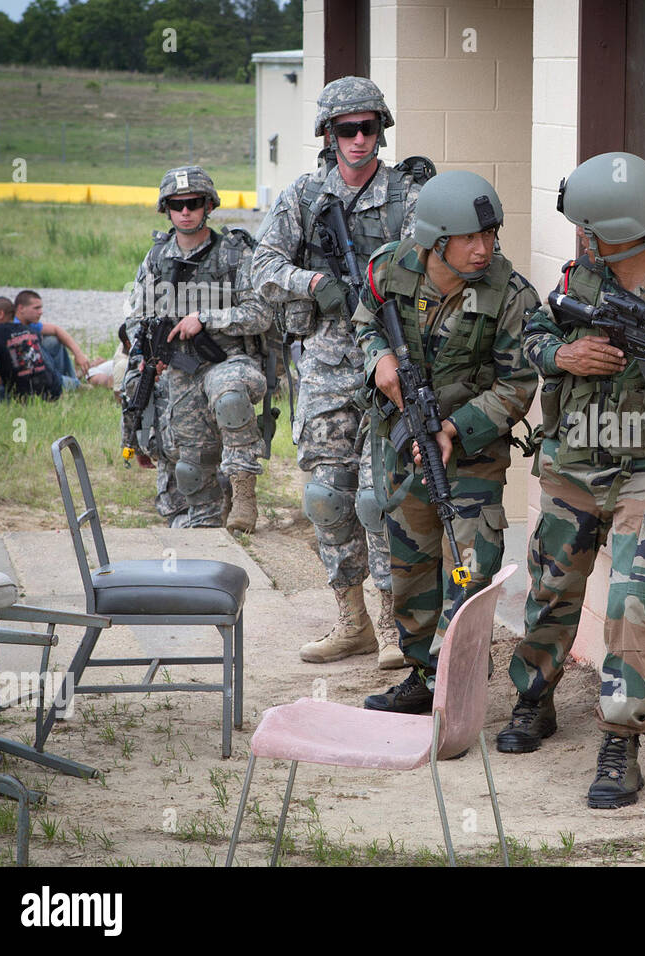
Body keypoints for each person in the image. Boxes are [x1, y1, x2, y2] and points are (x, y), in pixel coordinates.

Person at [497, 152, 645, 809]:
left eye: (588, 226)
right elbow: (532, 336)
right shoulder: (577, 280)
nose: (581, 236)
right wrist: (565, 354)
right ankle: (533, 698)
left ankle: (621, 744)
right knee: (553, 586)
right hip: (573, 466)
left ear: (618, 227)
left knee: (630, 602)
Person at [252, 75, 433, 670]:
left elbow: (423, 269)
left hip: (385, 358)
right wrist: (314, 283)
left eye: (369, 127)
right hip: (327, 365)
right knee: (328, 497)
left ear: (381, 129)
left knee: (377, 499)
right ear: (328, 135)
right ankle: (349, 619)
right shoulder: (305, 196)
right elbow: (262, 267)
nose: (359, 138)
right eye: (346, 128)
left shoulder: (408, 195)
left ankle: (389, 624)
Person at [353, 170, 538, 712]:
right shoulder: (392, 266)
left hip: (472, 454)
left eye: (491, 234)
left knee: (470, 569)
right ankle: (419, 674)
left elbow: (518, 384)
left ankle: (456, 685)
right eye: (470, 238)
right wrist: (378, 359)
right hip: (402, 442)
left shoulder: (510, 295)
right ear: (436, 240)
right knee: (410, 563)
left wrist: (456, 429)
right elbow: (366, 322)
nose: (485, 248)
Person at [123, 165, 277, 532]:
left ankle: (243, 493)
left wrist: (205, 319)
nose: (186, 211)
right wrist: (146, 356)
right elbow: (136, 317)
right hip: (177, 367)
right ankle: (208, 518)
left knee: (229, 396)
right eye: (177, 205)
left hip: (228, 359)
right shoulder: (156, 259)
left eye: (193, 203)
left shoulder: (234, 254)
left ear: (208, 205)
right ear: (167, 209)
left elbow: (261, 313)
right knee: (189, 468)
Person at [0, 295, 62, 402]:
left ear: (0, 314)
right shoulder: (29, 330)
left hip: (21, 396)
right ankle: (74, 382)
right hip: (52, 391)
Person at [12, 290, 89, 391]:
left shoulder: (28, 324)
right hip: (29, 377)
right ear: (21, 308)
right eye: (36, 308)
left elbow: (56, 329)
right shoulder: (14, 329)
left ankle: (70, 379)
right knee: (36, 347)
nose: (41, 312)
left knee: (53, 341)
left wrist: (78, 354)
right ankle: (72, 385)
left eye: (41, 307)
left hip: (42, 373)